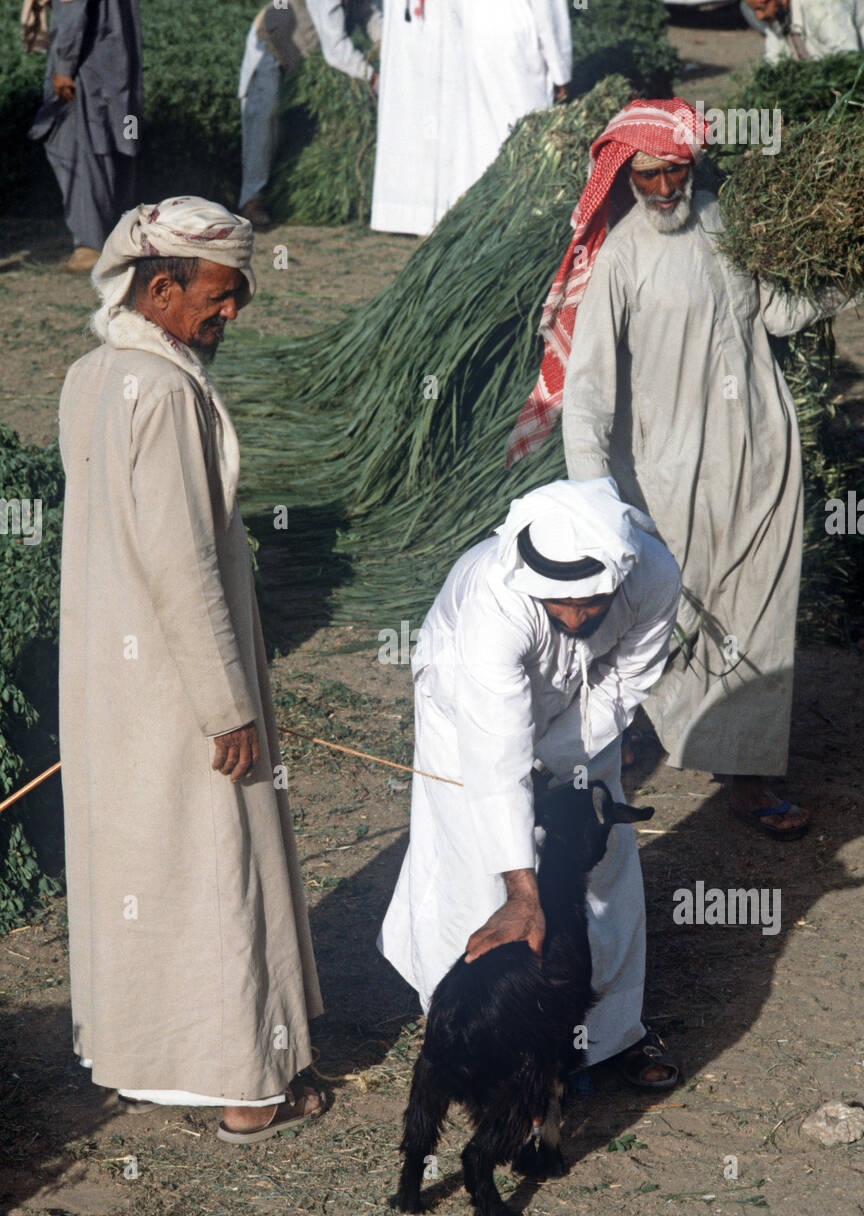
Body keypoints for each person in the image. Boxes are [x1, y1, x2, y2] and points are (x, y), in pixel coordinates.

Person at [509, 98, 849, 843]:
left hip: (758, 455)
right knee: (674, 617)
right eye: (647, 176)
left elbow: (775, 309)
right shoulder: (621, 257)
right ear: (623, 174)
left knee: (759, 612)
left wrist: (845, 271)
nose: (663, 190)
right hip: (662, 475)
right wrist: (595, 500)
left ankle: (750, 775)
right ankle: (643, 733)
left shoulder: (727, 227)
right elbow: (589, 391)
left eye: (674, 173)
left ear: (693, 166)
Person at [58, 196, 325, 1142]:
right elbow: (180, 561)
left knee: (139, 865)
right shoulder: (163, 391)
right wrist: (226, 703)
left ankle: (147, 1062)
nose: (231, 313)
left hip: (111, 680)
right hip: (177, 684)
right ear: (161, 286)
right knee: (214, 866)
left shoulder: (92, 375)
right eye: (218, 295)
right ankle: (245, 1087)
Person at [378, 478, 683, 1088]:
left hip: (586, 707)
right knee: (475, 864)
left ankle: (608, 1032)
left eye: (590, 604)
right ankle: (475, 1034)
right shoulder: (493, 600)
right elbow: (496, 757)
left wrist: (564, 759)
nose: (574, 616)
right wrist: (522, 892)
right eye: (558, 605)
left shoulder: (654, 574)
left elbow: (626, 680)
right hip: (465, 708)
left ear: (618, 574)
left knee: (599, 855)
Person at [370, 0, 571, 237]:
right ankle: (521, 214)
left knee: (477, 131)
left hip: (472, 28)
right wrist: (561, 72)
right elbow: (550, 13)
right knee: (524, 126)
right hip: (514, 31)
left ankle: (478, 215)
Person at [238, 0, 381, 228]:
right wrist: (372, 76)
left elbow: (369, 14)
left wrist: (383, 44)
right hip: (274, 41)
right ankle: (251, 199)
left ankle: (285, 190)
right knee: (264, 117)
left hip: (308, 49)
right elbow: (335, 50)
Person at [29, 0, 142, 274]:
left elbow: (72, 14)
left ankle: (90, 244)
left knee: (76, 149)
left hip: (86, 69)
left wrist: (64, 66)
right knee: (119, 141)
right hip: (119, 66)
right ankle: (121, 234)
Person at [743, 0, 864, 62]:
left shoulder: (822, 9)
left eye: (762, 8)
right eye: (754, 10)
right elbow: (774, 58)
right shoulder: (778, 16)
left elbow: (846, 58)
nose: (759, 16)